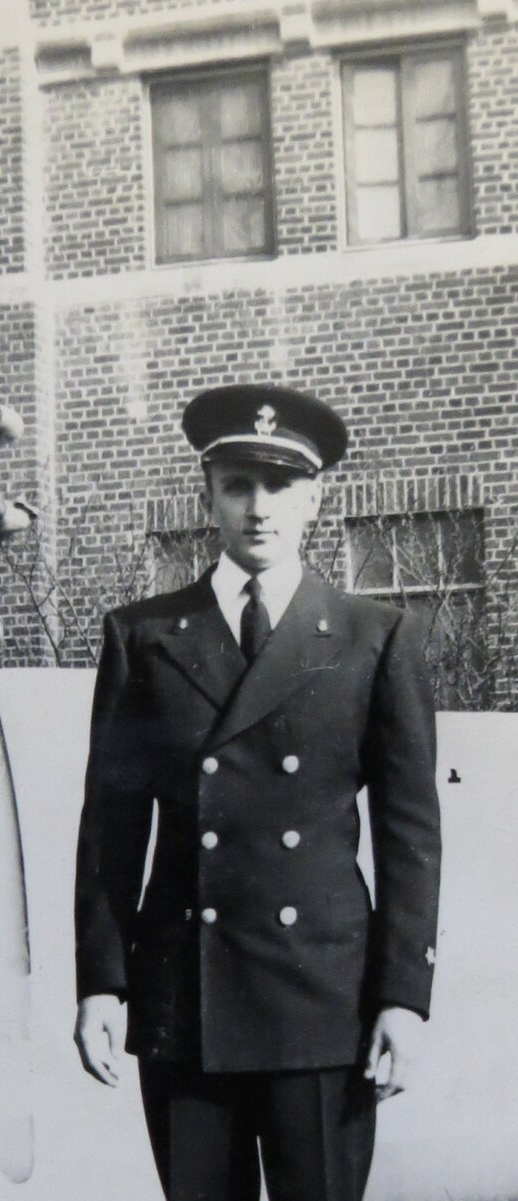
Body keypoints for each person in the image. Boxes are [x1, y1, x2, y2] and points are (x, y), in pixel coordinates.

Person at [73, 383, 441, 1201]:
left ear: (314, 497)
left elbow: (411, 836)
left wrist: (402, 998)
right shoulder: (143, 637)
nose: (259, 507)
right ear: (208, 493)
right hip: (186, 1002)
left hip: (320, 1002)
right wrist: (101, 981)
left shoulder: (375, 637)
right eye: (238, 484)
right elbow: (110, 830)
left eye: (279, 486)